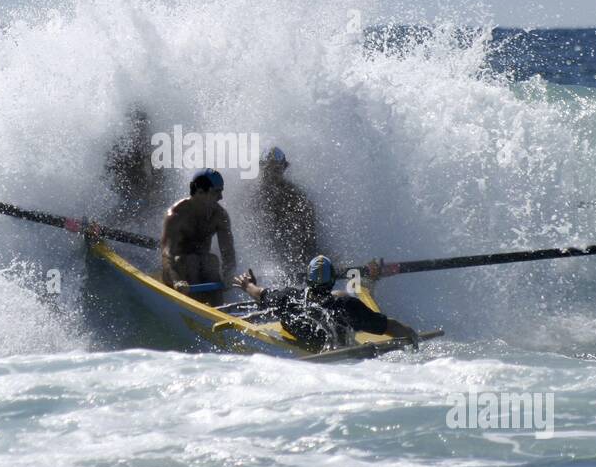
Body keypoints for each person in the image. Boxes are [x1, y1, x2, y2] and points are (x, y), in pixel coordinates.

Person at [233, 255, 417, 350]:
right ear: (332, 281)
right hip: (345, 360)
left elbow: (258, 293)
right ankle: (368, 282)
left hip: (305, 356)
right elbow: (390, 326)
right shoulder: (345, 304)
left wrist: (247, 284)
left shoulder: (286, 297)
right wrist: (411, 334)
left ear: (307, 280)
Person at [160, 168, 236, 302]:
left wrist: (229, 274)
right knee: (189, 262)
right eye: (216, 192)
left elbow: (228, 253)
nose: (221, 197)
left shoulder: (219, 216)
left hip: (202, 269)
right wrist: (176, 280)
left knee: (212, 261)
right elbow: (167, 255)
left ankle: (218, 309)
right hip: (178, 273)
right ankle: (194, 304)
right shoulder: (176, 216)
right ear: (200, 192)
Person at [249, 146, 320, 281]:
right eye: (268, 169)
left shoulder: (295, 195)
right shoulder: (252, 195)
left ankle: (300, 271)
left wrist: (312, 258)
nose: (271, 174)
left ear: (284, 168)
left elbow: (310, 234)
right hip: (266, 247)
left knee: (295, 226)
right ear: (261, 167)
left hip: (292, 250)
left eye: (276, 170)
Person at [104, 105, 168, 228]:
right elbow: (108, 173)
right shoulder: (121, 147)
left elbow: (160, 182)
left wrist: (154, 195)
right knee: (113, 217)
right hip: (127, 200)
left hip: (147, 204)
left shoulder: (154, 149)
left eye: (142, 126)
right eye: (135, 125)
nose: (138, 130)